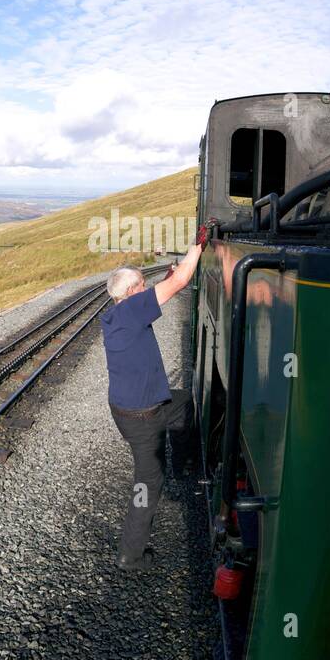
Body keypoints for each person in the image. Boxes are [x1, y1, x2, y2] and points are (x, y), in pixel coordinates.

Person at [101, 227, 212, 572]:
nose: (146, 289)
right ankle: (130, 555)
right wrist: (199, 246)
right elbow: (178, 284)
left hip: (137, 407)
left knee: (185, 405)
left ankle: (185, 463)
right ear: (133, 292)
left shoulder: (117, 312)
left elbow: (161, 289)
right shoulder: (134, 309)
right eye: (142, 285)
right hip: (141, 418)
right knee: (148, 483)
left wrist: (165, 277)